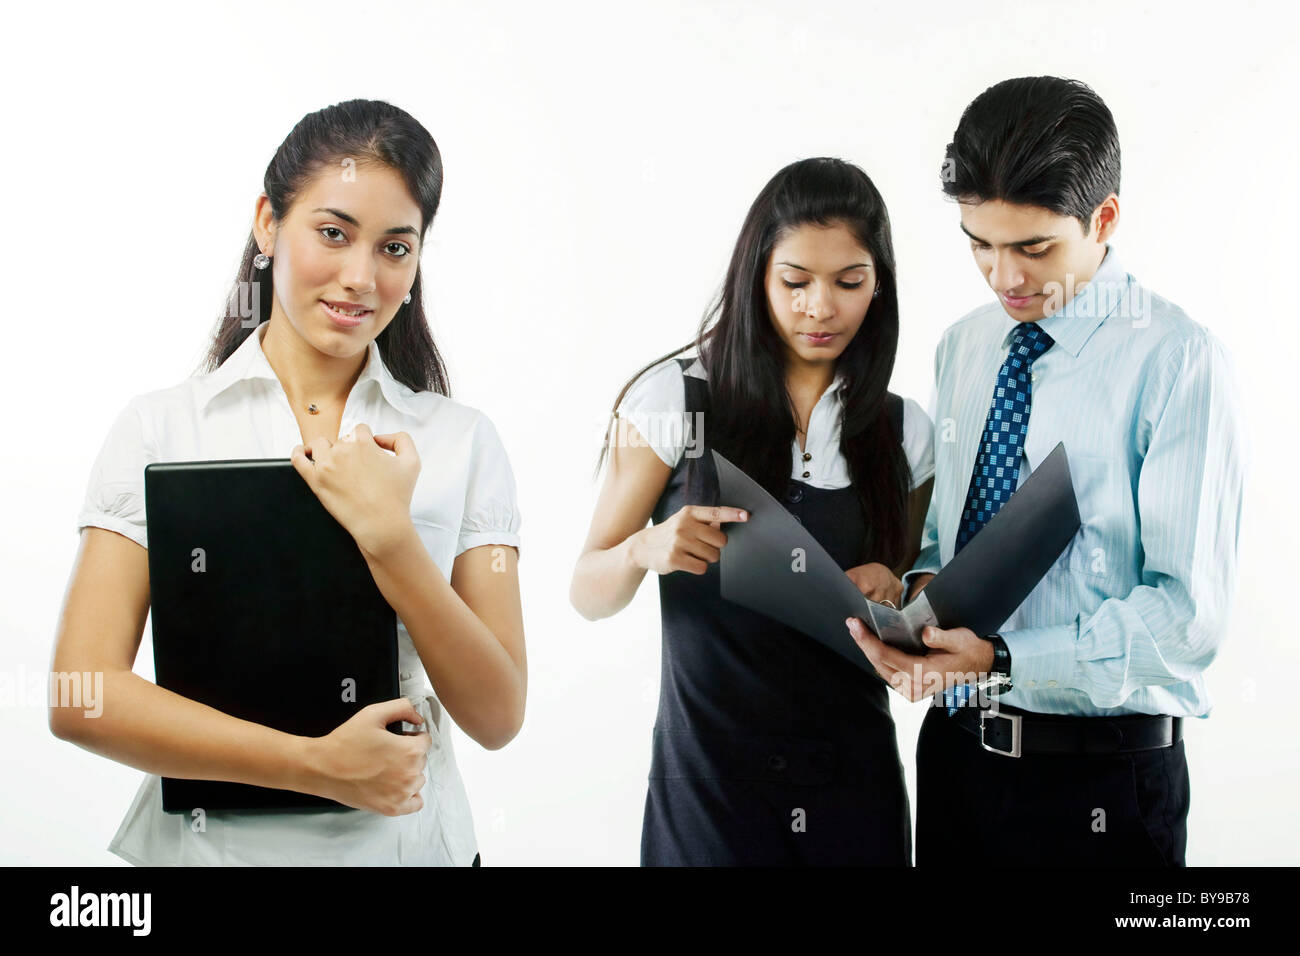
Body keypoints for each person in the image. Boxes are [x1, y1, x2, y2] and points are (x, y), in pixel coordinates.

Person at [50, 99, 525, 866]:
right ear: (268, 223)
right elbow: (82, 695)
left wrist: (392, 541)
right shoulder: (162, 429)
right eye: (332, 233)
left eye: (395, 248)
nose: (360, 277)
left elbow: (498, 715)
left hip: (407, 852)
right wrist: (317, 767)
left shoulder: (459, 440)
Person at [847, 76, 1246, 866]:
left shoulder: (1177, 360)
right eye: (979, 243)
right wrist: (913, 596)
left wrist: (1003, 659)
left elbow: (1188, 621)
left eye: (1033, 248)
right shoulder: (965, 346)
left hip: (1103, 783)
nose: (1004, 278)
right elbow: (948, 535)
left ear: (1105, 220)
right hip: (958, 760)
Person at [571, 157, 935, 865]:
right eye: (795, 282)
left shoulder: (906, 432)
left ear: (879, 285)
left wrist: (898, 592)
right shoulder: (675, 400)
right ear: (756, 276)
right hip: (709, 793)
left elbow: (919, 597)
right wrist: (645, 550)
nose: (819, 308)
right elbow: (587, 589)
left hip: (853, 791)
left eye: (849, 283)